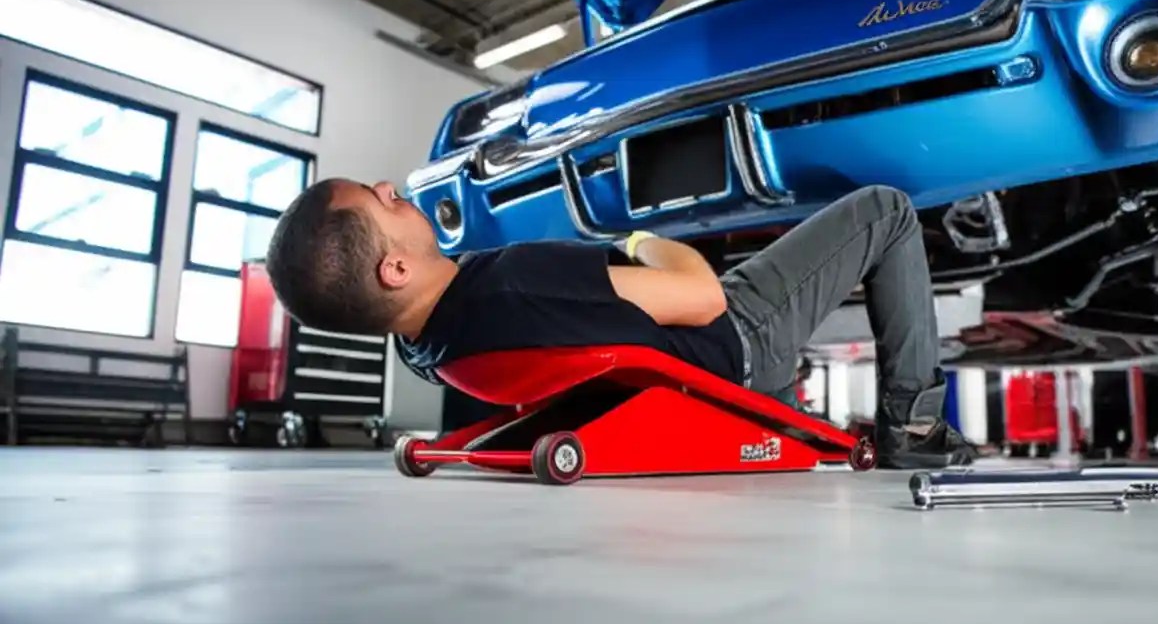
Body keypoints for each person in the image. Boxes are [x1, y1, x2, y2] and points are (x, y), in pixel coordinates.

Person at [265, 179, 977, 469]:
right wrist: (641, 239)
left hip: (693, 377)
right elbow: (701, 298)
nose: (395, 188)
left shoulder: (425, 345)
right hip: (738, 340)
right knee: (884, 207)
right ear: (393, 271)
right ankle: (914, 430)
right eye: (382, 200)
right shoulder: (513, 276)